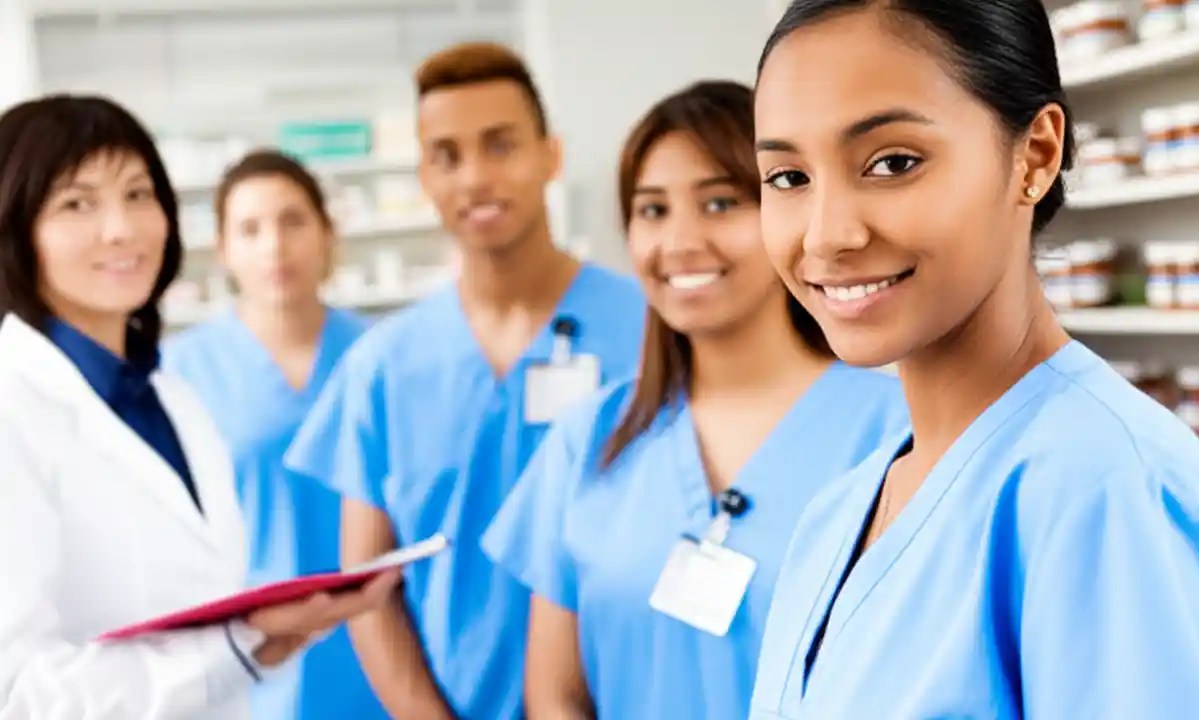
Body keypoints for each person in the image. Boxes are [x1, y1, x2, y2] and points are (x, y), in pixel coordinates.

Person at [747, 2, 1199, 719]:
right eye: (787, 178)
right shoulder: (839, 513)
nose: (826, 235)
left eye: (892, 163)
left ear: (1035, 156)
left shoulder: (1115, 500)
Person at [481, 80, 908, 720]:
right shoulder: (590, 437)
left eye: (719, 203)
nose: (680, 242)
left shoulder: (896, 433)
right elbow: (556, 693)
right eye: (652, 210)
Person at [0, 95, 399, 720]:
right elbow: (19, 694)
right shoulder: (14, 408)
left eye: (137, 194)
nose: (121, 228)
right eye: (77, 204)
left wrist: (261, 642)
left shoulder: (168, 398)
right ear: (16, 231)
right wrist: (239, 646)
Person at [285, 42, 647, 719]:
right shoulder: (382, 367)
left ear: (551, 155)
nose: (475, 177)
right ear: (423, 174)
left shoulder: (648, 332)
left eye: (500, 145)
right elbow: (369, 591)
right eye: (447, 155)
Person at [162, 150, 389, 720]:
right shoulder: (178, 375)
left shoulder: (382, 357)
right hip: (242, 661)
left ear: (327, 232)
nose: (274, 246)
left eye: (293, 221)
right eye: (250, 229)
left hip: (377, 653)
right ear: (223, 250)